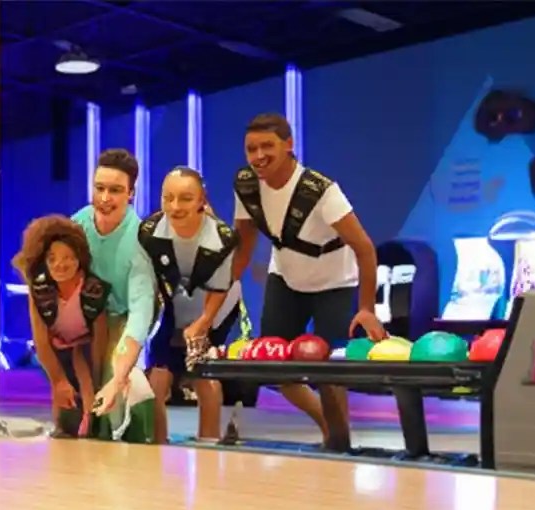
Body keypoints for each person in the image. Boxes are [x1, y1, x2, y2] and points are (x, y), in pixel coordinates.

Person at [231, 113, 386, 452]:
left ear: (288, 145)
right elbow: (244, 244)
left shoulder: (321, 191)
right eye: (251, 149)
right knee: (275, 368)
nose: (258, 156)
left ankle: (339, 445)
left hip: (335, 282)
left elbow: (365, 249)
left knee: (329, 374)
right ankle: (328, 425)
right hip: (286, 279)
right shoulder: (245, 184)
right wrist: (221, 289)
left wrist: (366, 309)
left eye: (267, 146)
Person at [137, 166, 242, 443]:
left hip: (217, 301)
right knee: (159, 373)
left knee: (200, 366)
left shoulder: (221, 238)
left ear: (201, 200)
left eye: (185, 198)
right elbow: (151, 285)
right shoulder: (149, 233)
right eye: (167, 197)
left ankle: (208, 439)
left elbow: (219, 290)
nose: (175, 206)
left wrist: (201, 324)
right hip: (178, 298)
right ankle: (156, 440)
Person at [69, 148, 159, 442]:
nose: (105, 198)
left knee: (126, 389)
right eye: (100, 188)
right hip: (85, 319)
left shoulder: (140, 242)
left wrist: (119, 376)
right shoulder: (77, 224)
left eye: (116, 190)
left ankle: (152, 447)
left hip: (123, 319)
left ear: (131, 194)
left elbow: (140, 312)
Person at [11, 215, 110, 438]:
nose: (60, 265)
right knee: (66, 416)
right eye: (52, 258)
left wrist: (94, 383)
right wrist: (58, 381)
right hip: (57, 350)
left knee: (91, 408)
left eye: (68, 258)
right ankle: (63, 427)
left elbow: (99, 343)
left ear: (79, 260)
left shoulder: (94, 290)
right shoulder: (39, 291)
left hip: (86, 348)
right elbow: (41, 342)